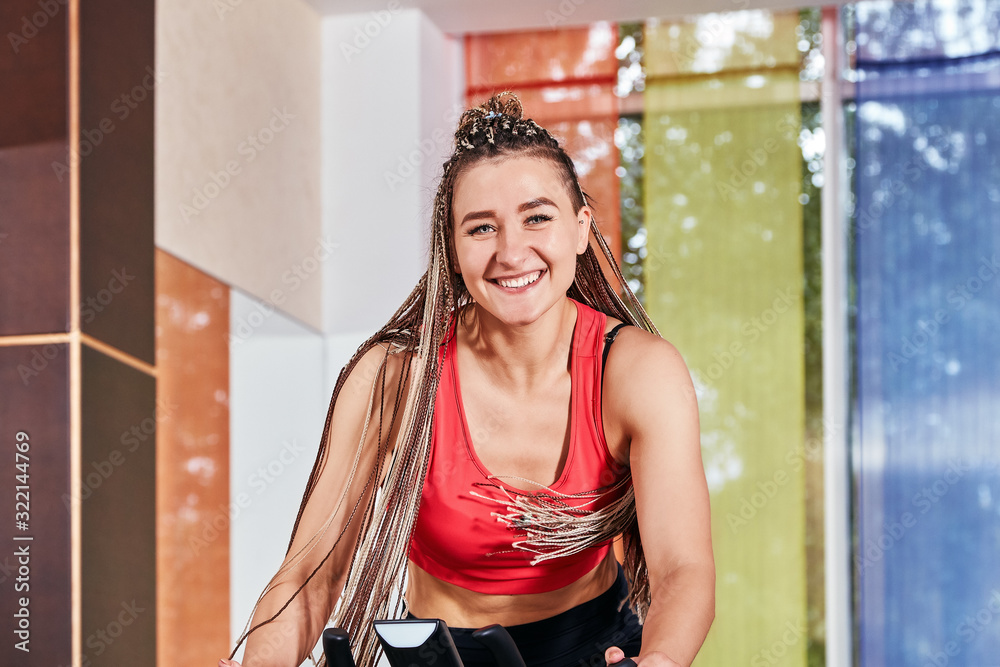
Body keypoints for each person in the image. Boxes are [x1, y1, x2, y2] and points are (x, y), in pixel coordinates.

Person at [220, 92, 714, 667]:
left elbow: (682, 568)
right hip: (440, 654)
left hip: (593, 646)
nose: (511, 251)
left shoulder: (637, 372)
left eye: (537, 217)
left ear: (581, 228)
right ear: (452, 251)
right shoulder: (396, 379)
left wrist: (658, 662)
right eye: (481, 228)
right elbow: (311, 574)